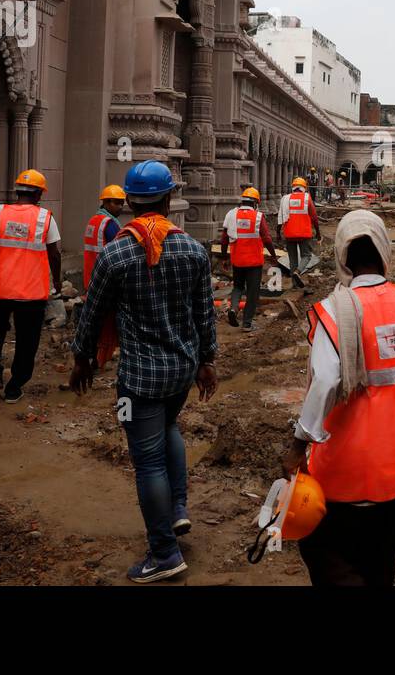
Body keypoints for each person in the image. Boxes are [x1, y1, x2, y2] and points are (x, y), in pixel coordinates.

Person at [70, 160, 218, 584]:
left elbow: (93, 312)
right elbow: (205, 313)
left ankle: (165, 553)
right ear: (169, 200)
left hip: (140, 377)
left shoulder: (116, 253)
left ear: (130, 203)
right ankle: (177, 511)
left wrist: (82, 359)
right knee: (170, 428)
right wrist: (207, 361)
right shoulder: (193, 250)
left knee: (148, 462)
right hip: (181, 371)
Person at [282, 210, 395, 585]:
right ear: (385, 252)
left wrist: (297, 444)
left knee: (323, 551)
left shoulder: (334, 312)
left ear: (342, 257)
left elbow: (324, 381)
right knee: (380, 560)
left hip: (345, 472)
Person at [0, 169, 61, 403]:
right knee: (27, 340)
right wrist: (56, 280)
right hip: (31, 293)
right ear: (38, 194)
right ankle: (14, 387)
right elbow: (54, 254)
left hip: (0, 288)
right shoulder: (45, 217)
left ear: (17, 191)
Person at [219, 186, 280, 331]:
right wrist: (273, 255)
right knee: (252, 292)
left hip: (237, 260)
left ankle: (233, 308)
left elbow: (224, 239)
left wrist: (223, 258)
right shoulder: (258, 216)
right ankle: (247, 323)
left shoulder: (231, 215)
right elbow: (267, 239)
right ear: (255, 203)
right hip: (254, 262)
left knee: (238, 287)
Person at [278, 176, 321, 289]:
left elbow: (280, 218)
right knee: (306, 256)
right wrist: (318, 232)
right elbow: (314, 218)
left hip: (289, 233)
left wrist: (278, 233)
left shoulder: (285, 199)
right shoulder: (307, 198)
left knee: (293, 259)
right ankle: (298, 272)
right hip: (304, 234)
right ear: (304, 188)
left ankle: (295, 285)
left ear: (293, 187)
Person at [82, 184, 126, 291]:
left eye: (122, 203)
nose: (120, 207)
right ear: (106, 202)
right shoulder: (109, 224)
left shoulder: (94, 220)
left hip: (91, 279)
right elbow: (119, 253)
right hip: (105, 281)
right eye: (116, 203)